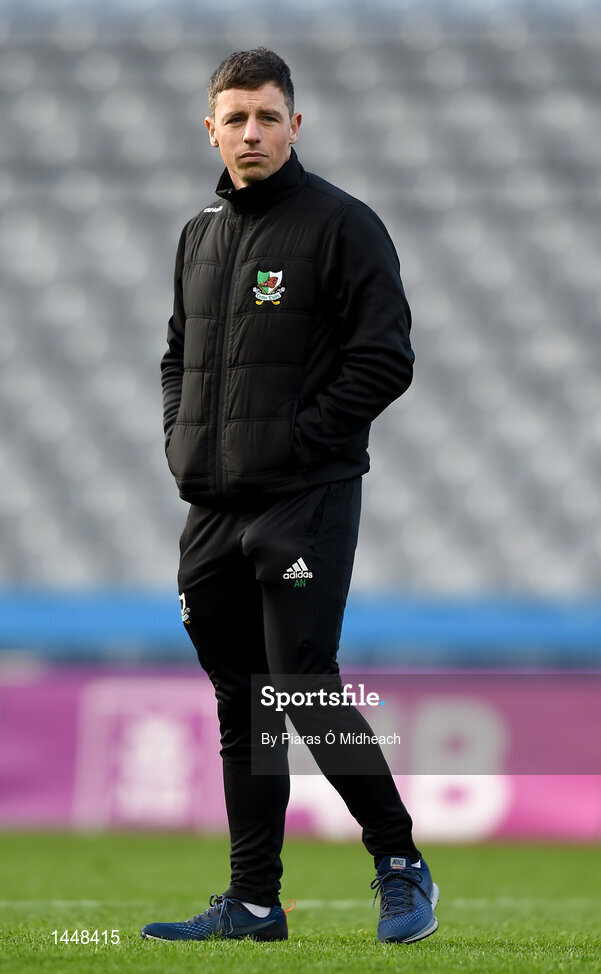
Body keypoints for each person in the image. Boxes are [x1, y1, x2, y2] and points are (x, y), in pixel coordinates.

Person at [141, 47, 439, 946]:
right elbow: (176, 358)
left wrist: (298, 445)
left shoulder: (341, 226)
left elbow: (385, 358)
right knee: (242, 700)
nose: (251, 132)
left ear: (294, 124)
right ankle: (255, 903)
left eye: (267, 116)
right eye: (234, 118)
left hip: (303, 495)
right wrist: (181, 443)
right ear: (211, 129)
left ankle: (397, 861)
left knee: (299, 688)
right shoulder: (199, 234)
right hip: (213, 505)